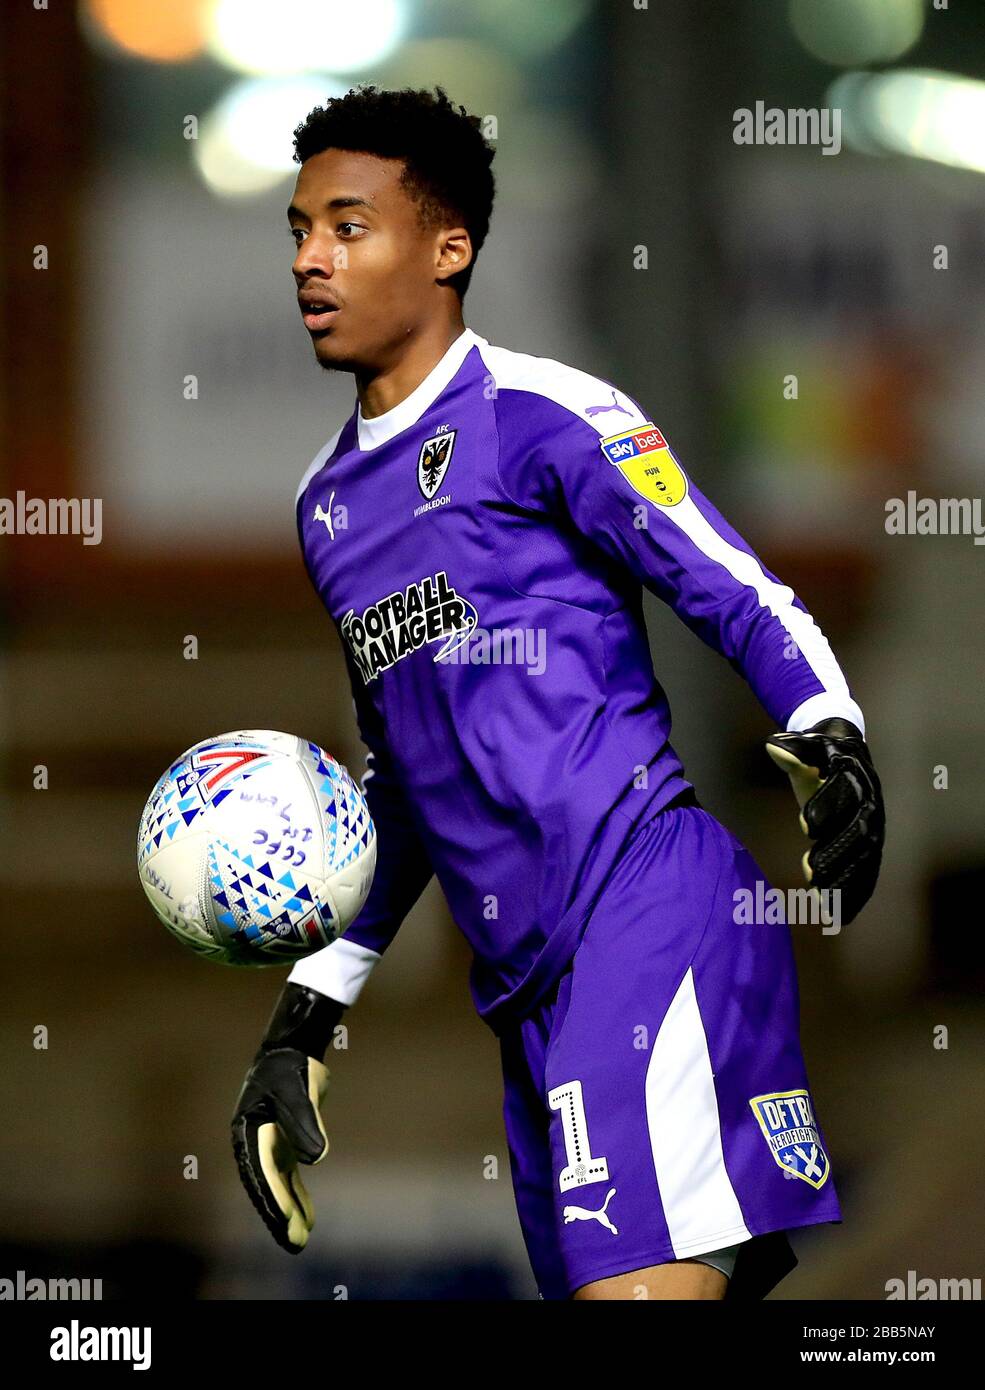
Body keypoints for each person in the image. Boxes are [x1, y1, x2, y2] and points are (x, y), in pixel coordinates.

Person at [232, 85, 884, 1301]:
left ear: (447, 248)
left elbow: (736, 587)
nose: (310, 259)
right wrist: (307, 1016)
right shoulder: (328, 510)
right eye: (298, 230)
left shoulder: (545, 417)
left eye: (347, 226)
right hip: (523, 990)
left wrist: (826, 728)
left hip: (647, 909)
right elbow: (405, 787)